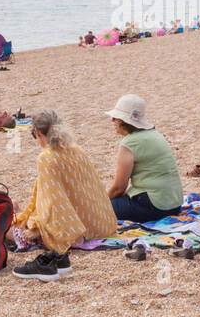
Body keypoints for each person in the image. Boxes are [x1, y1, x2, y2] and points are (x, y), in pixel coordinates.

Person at [9, 110, 119, 280]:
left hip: (75, 234)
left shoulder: (46, 157)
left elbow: (53, 202)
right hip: (99, 223)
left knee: (7, 228)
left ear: (39, 134)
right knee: (16, 210)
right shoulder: (76, 149)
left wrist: (37, 227)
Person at [104, 95, 184, 222]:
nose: (112, 120)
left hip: (155, 207)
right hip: (174, 204)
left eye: (115, 118)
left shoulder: (129, 143)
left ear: (124, 121)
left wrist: (102, 203)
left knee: (101, 208)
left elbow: (119, 188)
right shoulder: (155, 134)